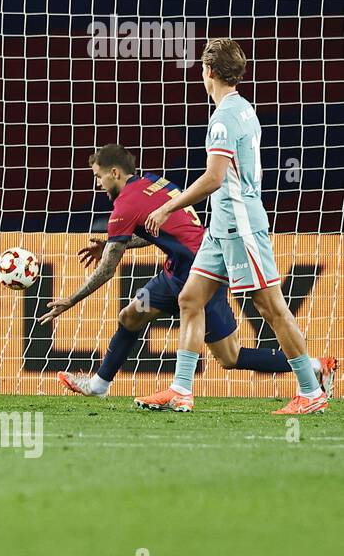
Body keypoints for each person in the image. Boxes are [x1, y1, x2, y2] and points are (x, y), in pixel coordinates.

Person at [41, 144, 333, 398]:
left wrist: (71, 300)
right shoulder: (153, 183)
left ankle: (315, 368)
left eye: (98, 177)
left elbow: (107, 270)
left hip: (202, 272)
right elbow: (157, 231)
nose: (97, 184)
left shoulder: (123, 207)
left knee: (229, 356)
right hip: (175, 273)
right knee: (130, 316)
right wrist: (111, 242)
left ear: (114, 173)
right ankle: (99, 384)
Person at [138, 39, 329, 415]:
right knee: (190, 298)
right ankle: (181, 389)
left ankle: (311, 390)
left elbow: (213, 177)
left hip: (240, 225)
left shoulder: (224, 117)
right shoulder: (243, 108)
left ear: (208, 71)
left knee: (270, 307)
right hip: (221, 226)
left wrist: (168, 207)